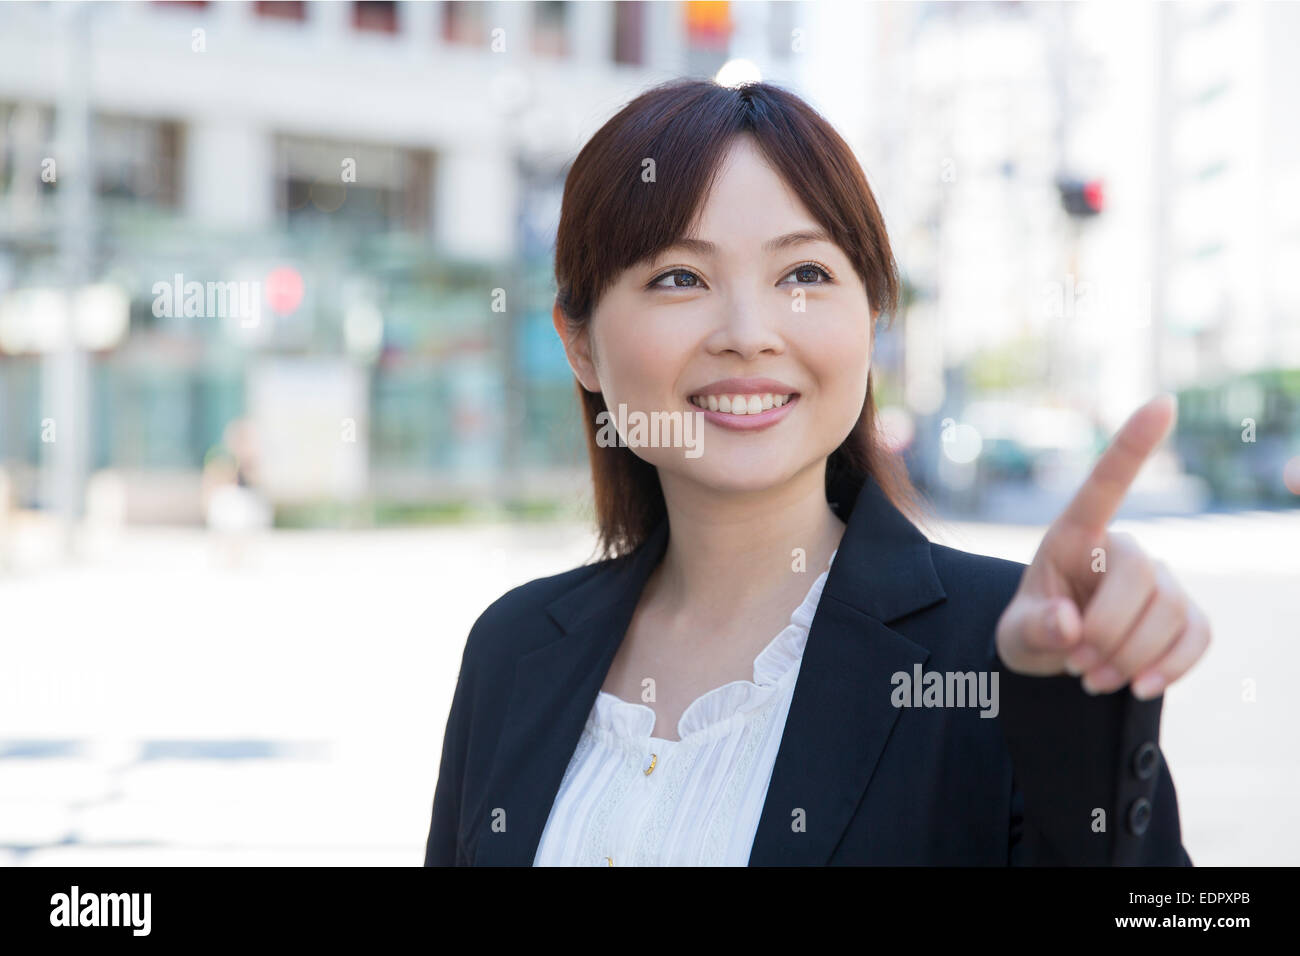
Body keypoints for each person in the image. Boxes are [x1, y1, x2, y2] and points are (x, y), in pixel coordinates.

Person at [424, 79, 1209, 866]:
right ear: (580, 343)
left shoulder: (1005, 647)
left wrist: (1069, 713)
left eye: (803, 275)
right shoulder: (513, 649)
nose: (748, 333)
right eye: (679, 278)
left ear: (870, 320)